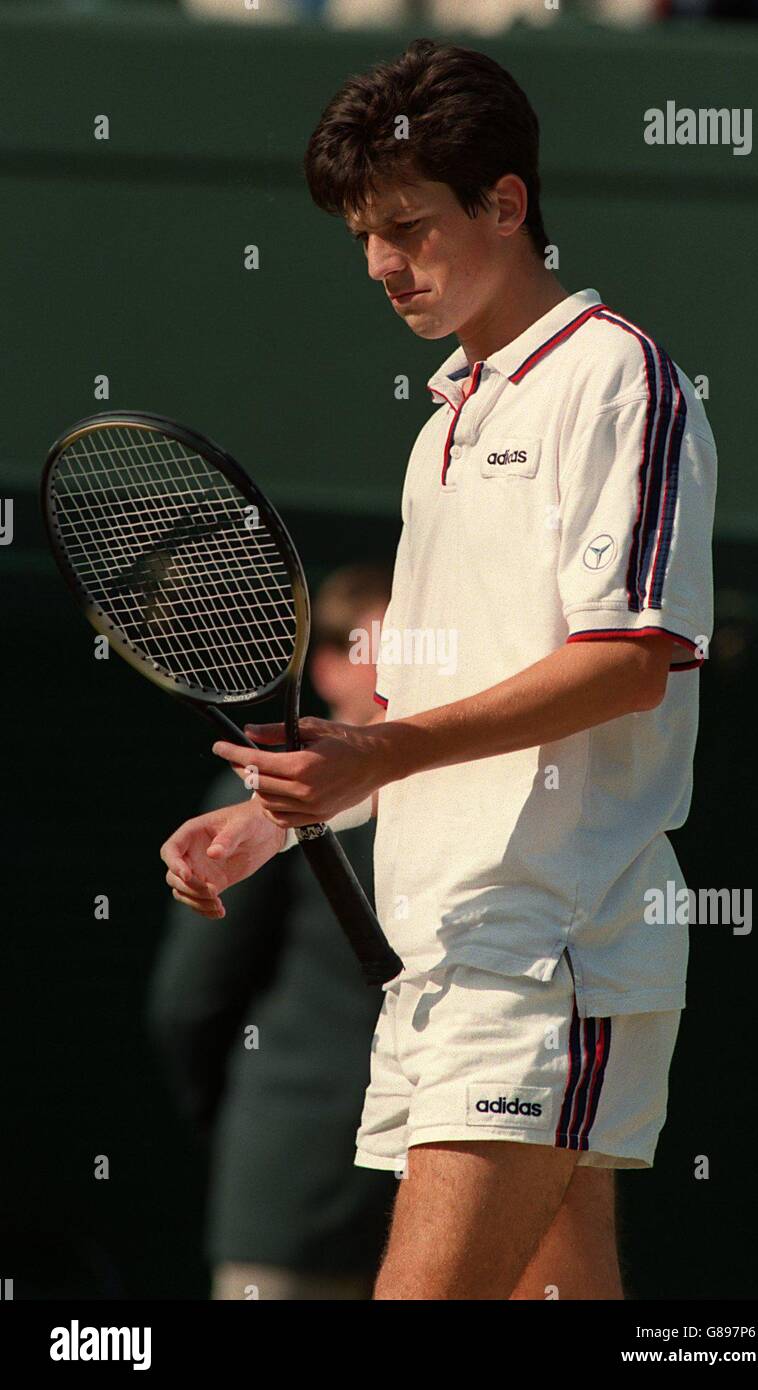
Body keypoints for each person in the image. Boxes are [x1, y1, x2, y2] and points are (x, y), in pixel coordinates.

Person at [161, 38, 717, 1300]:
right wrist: (265, 821)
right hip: (442, 951)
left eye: (407, 226)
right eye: (365, 236)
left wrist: (383, 750)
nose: (379, 263)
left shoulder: (614, 378)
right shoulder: (444, 424)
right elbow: (413, 696)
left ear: (505, 204)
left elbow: (630, 660)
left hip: (545, 943)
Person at [149, 566, 397, 1299]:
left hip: (444, 1177)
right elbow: (191, 1000)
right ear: (325, 667)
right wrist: (249, 1127)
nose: (405, 667)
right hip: (295, 1189)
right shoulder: (258, 802)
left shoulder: (486, 795)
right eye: (382, 648)